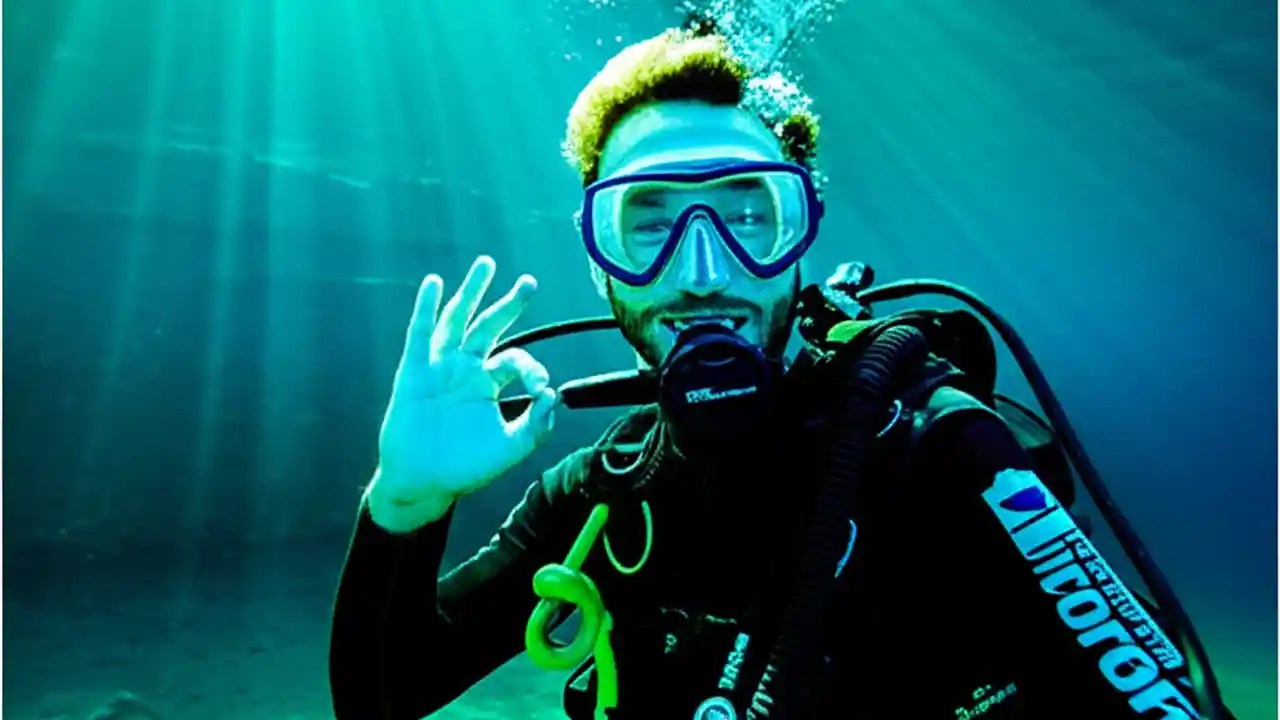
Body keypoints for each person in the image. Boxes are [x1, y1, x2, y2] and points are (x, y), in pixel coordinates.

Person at [328, 24, 1227, 720]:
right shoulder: (606, 497)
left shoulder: (939, 453)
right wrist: (405, 503)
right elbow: (382, 698)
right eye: (649, 221)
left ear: (802, 238)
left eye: (747, 214)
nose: (703, 269)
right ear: (597, 258)